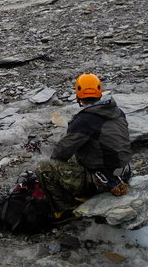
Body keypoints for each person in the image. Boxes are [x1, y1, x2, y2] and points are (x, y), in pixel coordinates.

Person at [36, 73, 132, 220]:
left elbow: (60, 153)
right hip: (124, 173)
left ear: (78, 94)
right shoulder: (117, 111)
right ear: (99, 91)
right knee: (80, 155)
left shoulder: (84, 120)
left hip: (103, 181)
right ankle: (85, 191)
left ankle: (64, 211)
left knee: (45, 168)